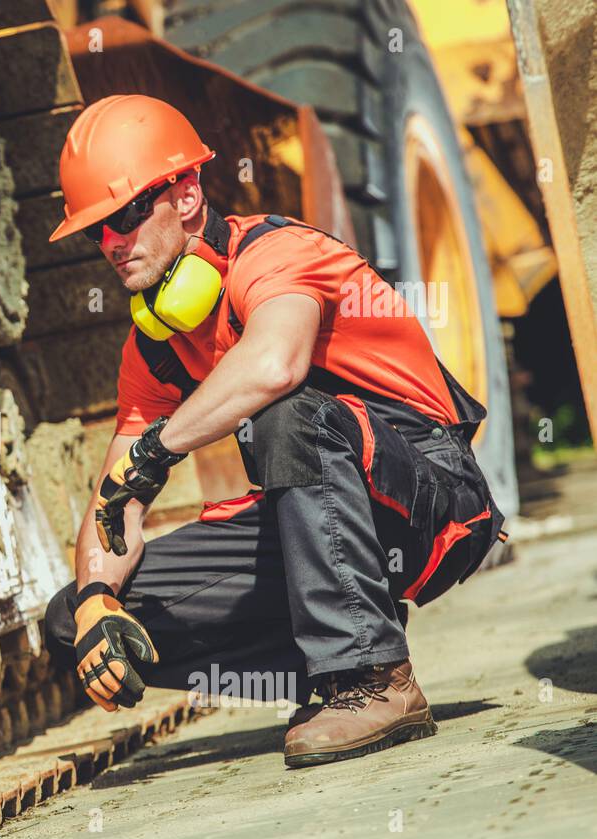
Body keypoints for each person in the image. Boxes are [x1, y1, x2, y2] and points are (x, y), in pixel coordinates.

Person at [43, 95, 506, 767]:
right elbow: (116, 500)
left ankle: (375, 678)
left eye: (125, 215)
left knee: (287, 412)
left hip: (431, 494)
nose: (113, 242)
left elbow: (274, 364)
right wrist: (93, 598)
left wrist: (159, 447)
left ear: (188, 193)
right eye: (97, 231)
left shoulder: (278, 253)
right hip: (320, 513)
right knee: (68, 622)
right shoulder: (154, 347)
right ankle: (328, 670)